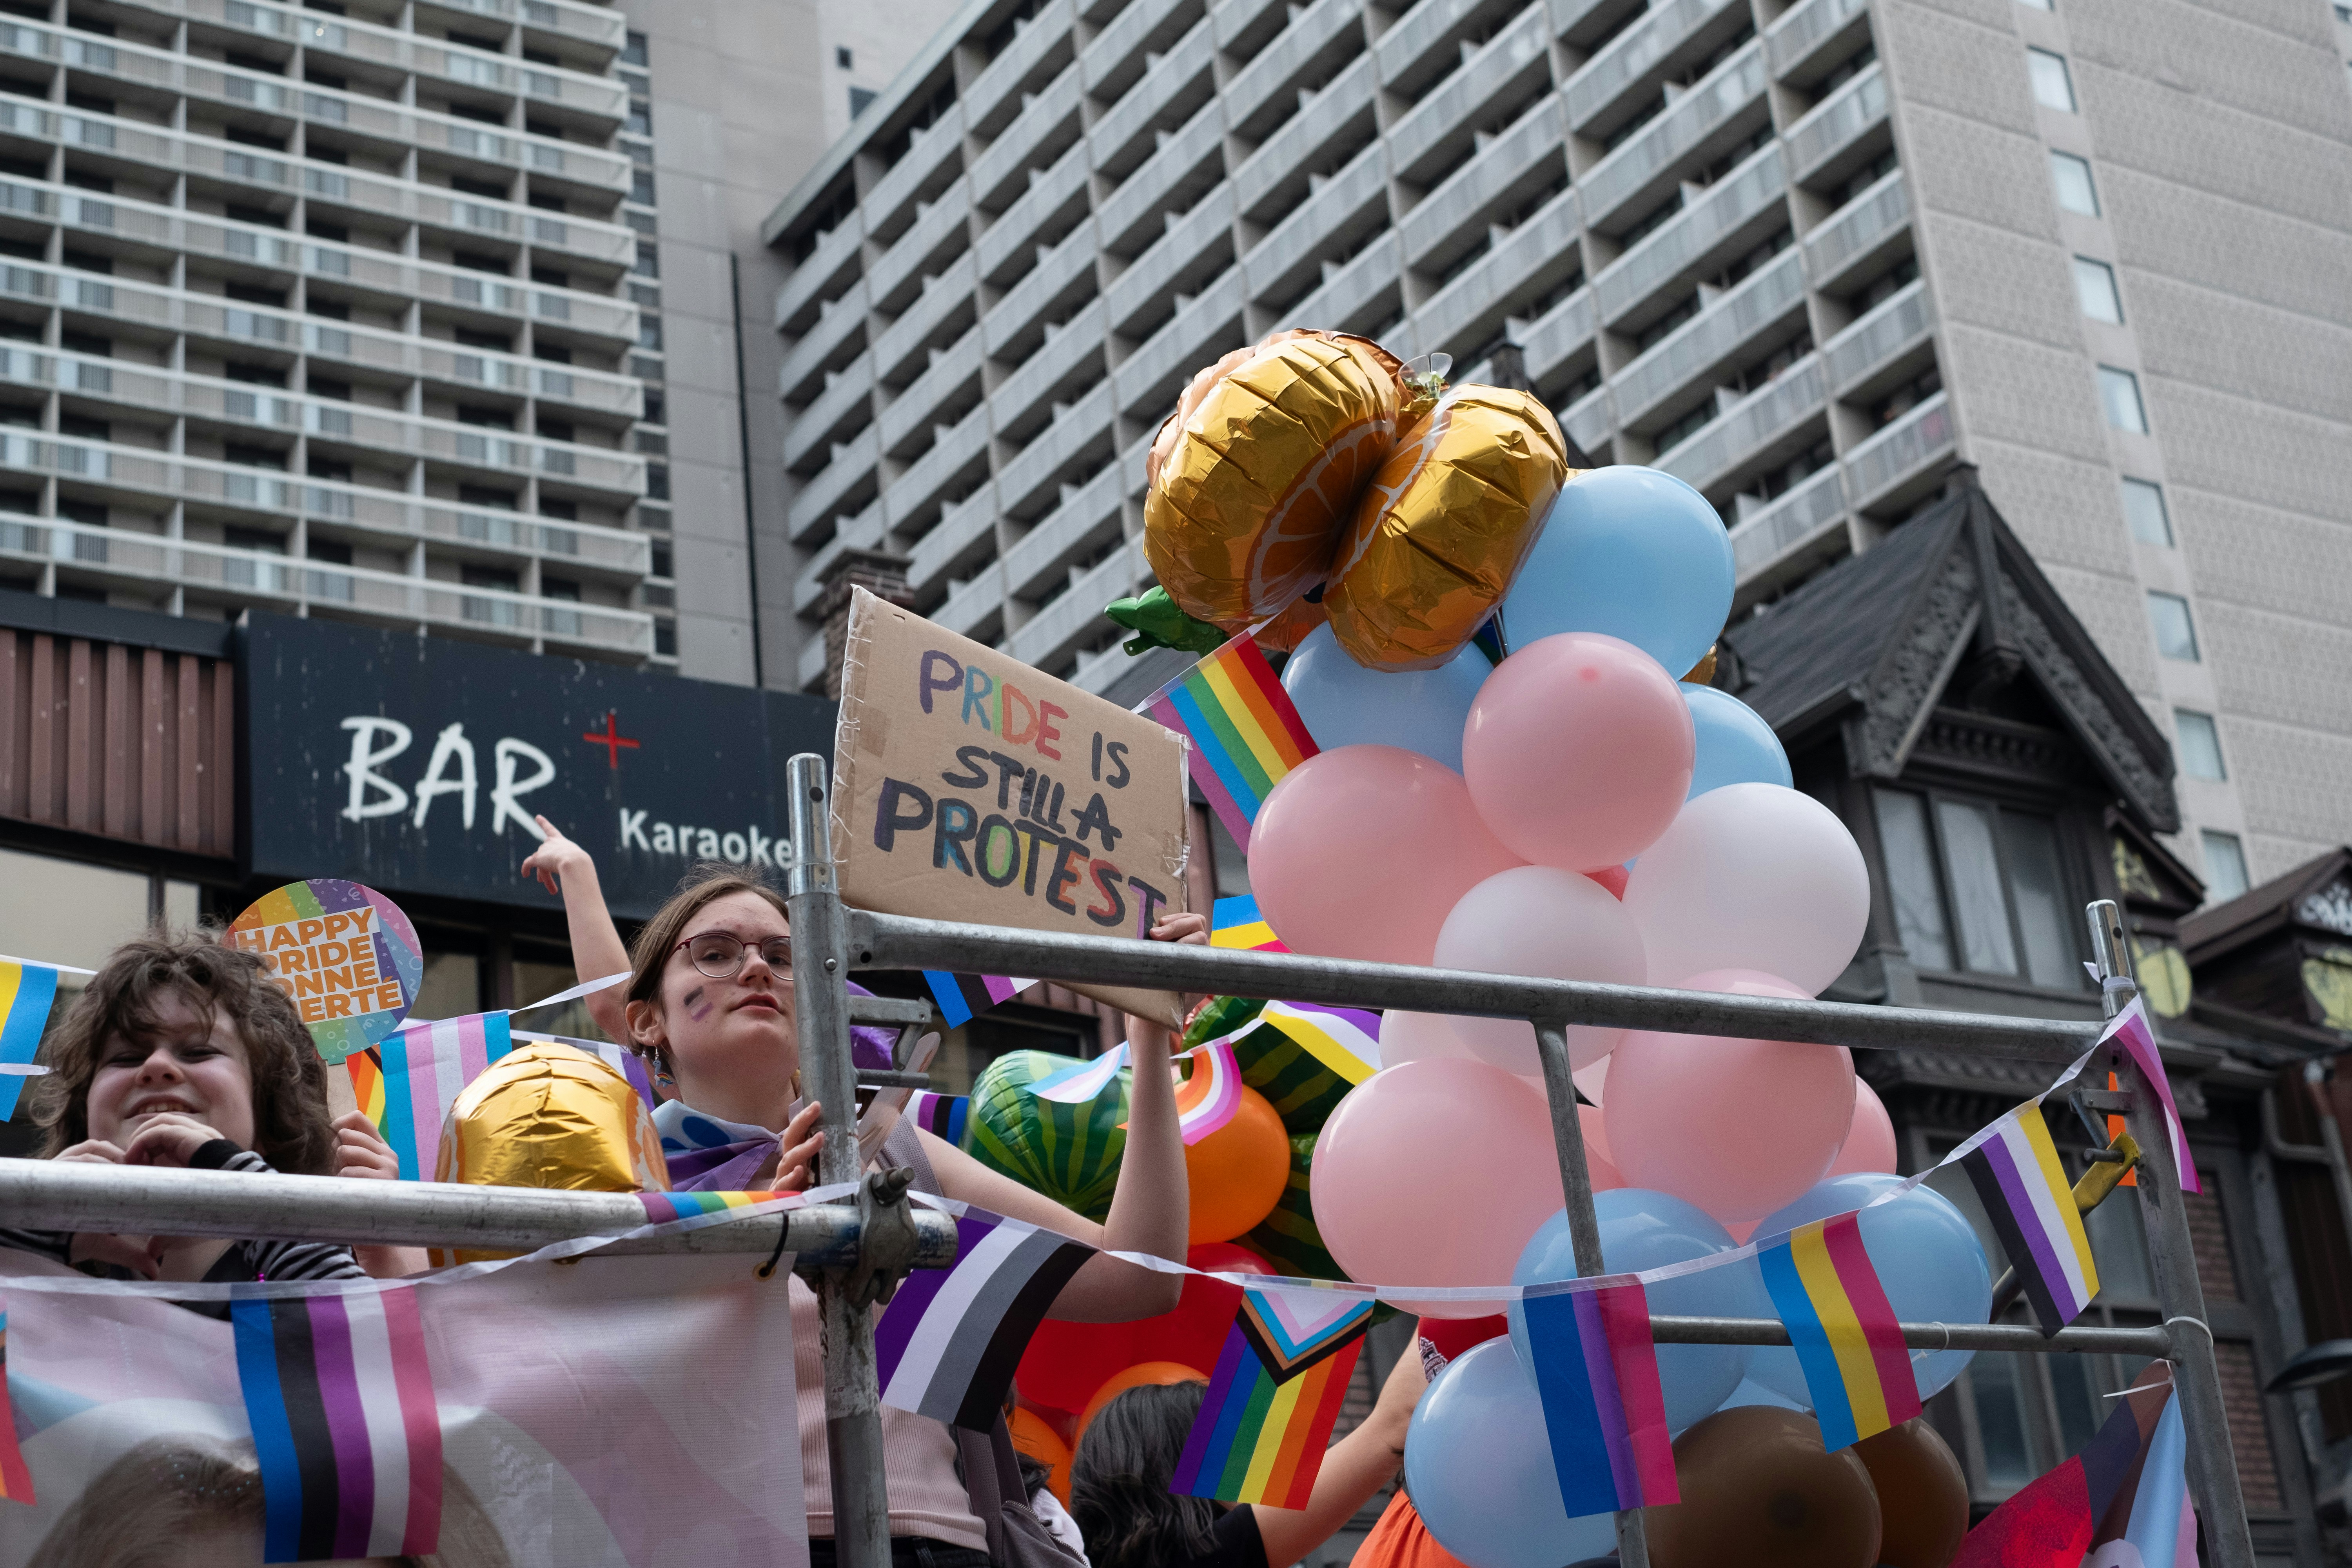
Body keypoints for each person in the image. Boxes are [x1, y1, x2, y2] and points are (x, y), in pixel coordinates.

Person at [523, 825, 1204, 1561]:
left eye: (784, 959)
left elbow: (1137, 1276)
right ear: (646, 1020)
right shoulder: (618, 1175)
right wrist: (766, 1244)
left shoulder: (896, 1145)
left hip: (935, 1543)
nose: (755, 968)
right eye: (715, 955)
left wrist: (1145, 1037)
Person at [6, 930, 407, 1288]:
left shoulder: (334, 1266)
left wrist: (385, 1245)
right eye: (126, 1057)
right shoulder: (32, 1270)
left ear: (269, 1115)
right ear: (85, 1116)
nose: (157, 1066)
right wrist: (26, 1231)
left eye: (200, 1051)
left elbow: (369, 1346)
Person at [1069, 1346, 1428, 1568]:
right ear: (1175, 1475)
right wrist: (1445, 1292)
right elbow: (1397, 1422)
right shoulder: (1201, 1560)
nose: (1251, 1467)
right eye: (1227, 1452)